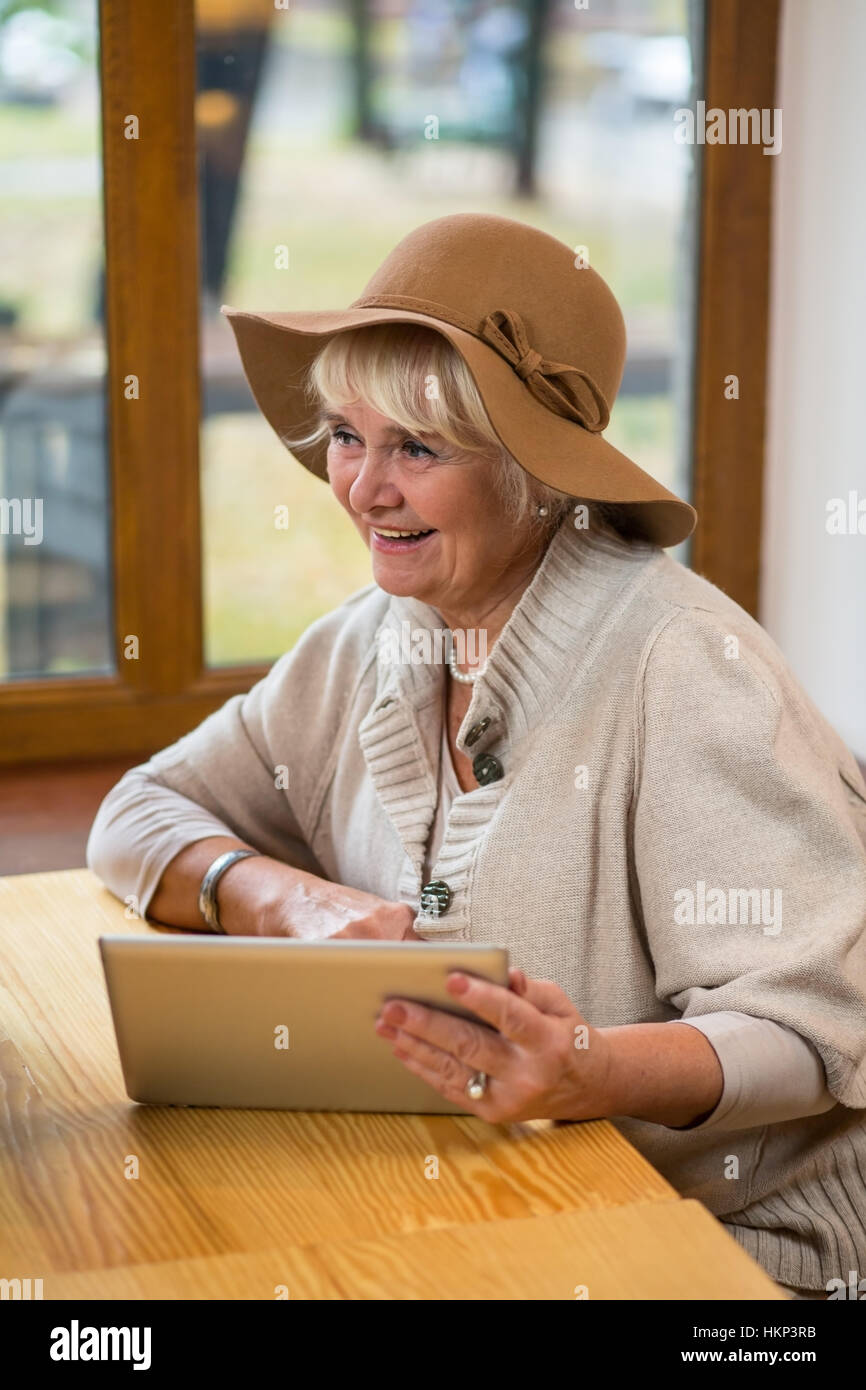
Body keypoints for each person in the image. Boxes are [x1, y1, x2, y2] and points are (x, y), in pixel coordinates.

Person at [88, 213, 866, 1300]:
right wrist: (280, 903)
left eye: (416, 448)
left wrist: (585, 1065)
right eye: (347, 436)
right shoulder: (368, 638)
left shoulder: (684, 667)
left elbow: (810, 1027)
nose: (362, 489)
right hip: (465, 1211)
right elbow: (137, 812)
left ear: (537, 470)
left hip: (722, 1254)